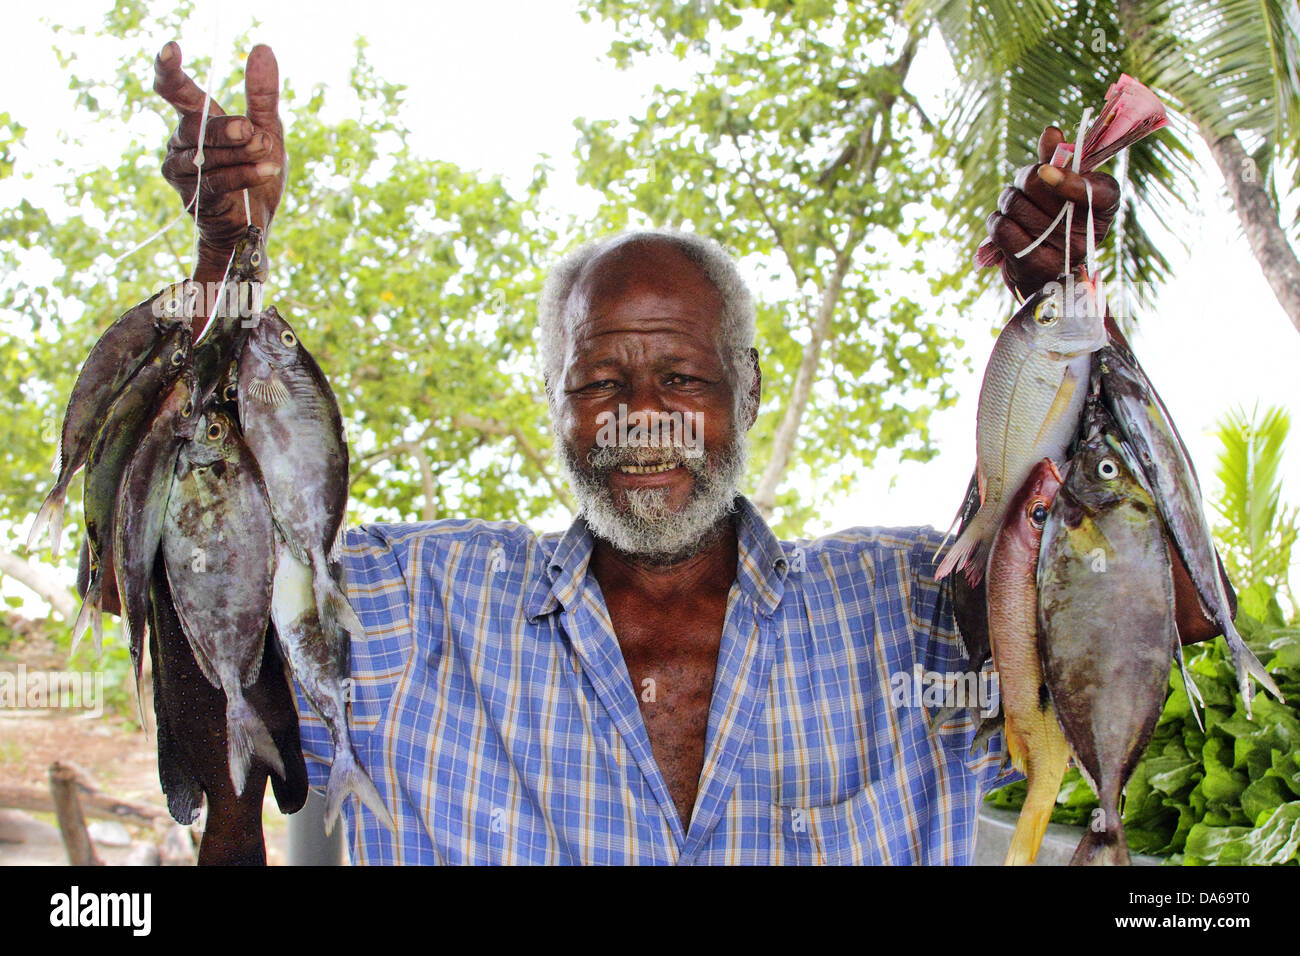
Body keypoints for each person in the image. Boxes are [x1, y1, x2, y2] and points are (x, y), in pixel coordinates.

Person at [151, 42, 1223, 864]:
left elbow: (1162, 604)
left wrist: (1069, 307)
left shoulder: (912, 608)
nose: (642, 415)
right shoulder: (415, 601)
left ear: (748, 390)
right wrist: (224, 260)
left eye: (683, 378)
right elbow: (187, 572)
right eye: (601, 382)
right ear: (556, 402)